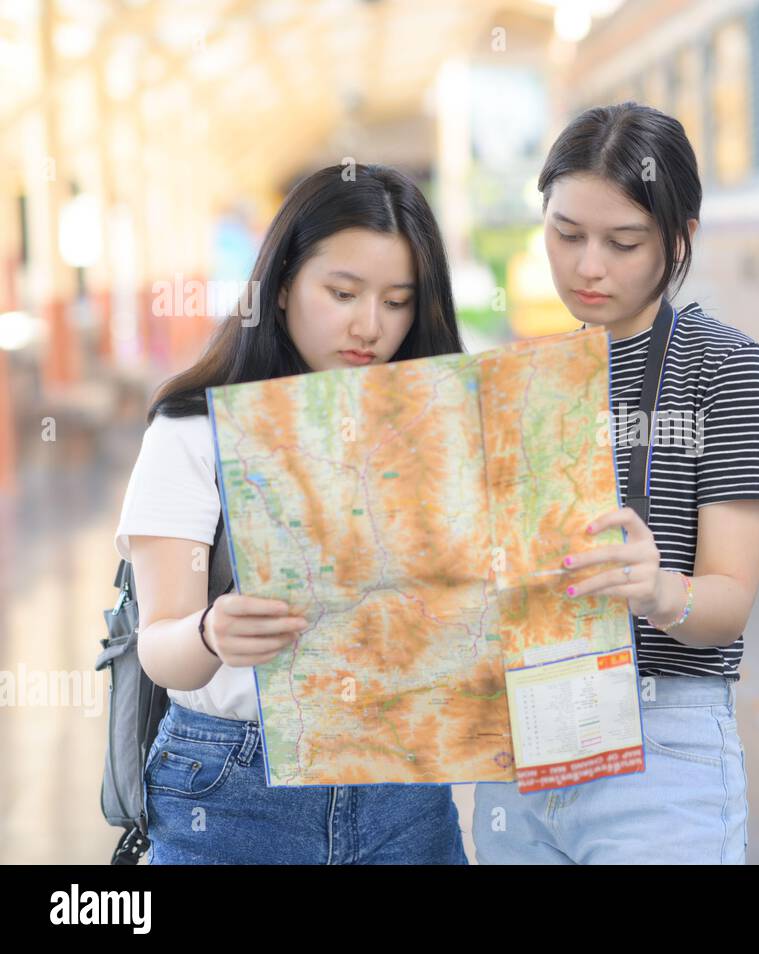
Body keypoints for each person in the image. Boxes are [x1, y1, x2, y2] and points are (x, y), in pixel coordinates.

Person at [115, 163, 468, 864]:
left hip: (405, 792)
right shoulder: (191, 432)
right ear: (279, 288)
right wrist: (212, 632)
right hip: (233, 793)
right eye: (342, 293)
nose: (370, 325)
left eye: (399, 301)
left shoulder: (442, 430)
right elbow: (159, 649)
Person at [472, 103, 759, 864]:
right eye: (566, 234)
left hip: (663, 755)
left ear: (678, 240)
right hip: (521, 745)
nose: (589, 266)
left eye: (623, 242)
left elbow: (727, 605)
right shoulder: (524, 377)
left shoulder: (729, 372)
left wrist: (657, 592)